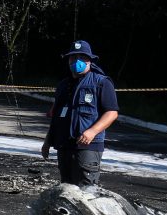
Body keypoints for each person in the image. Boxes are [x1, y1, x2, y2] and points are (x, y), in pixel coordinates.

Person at [41, 40, 119, 187]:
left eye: (82, 57)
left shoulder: (101, 83)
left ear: (90, 60)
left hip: (88, 148)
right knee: (67, 191)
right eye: (73, 58)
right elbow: (56, 116)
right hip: (64, 146)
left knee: (86, 192)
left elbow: (112, 113)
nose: (77, 61)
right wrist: (47, 141)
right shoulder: (63, 85)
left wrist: (92, 132)